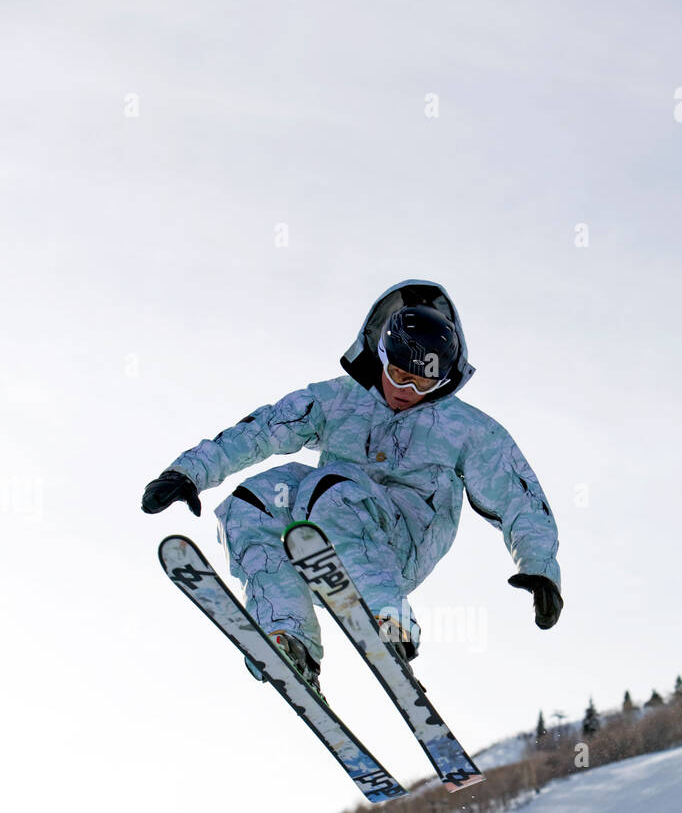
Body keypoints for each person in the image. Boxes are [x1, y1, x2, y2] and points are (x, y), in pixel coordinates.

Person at [142, 279, 562, 693]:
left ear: (444, 381)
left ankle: (389, 620)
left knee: (332, 487)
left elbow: (519, 498)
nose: (405, 391)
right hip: (323, 528)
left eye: (422, 385)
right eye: (397, 374)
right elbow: (266, 428)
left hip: (400, 541)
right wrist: (189, 472)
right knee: (253, 502)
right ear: (380, 355)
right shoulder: (340, 399)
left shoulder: (466, 428)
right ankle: (290, 638)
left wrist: (540, 569)